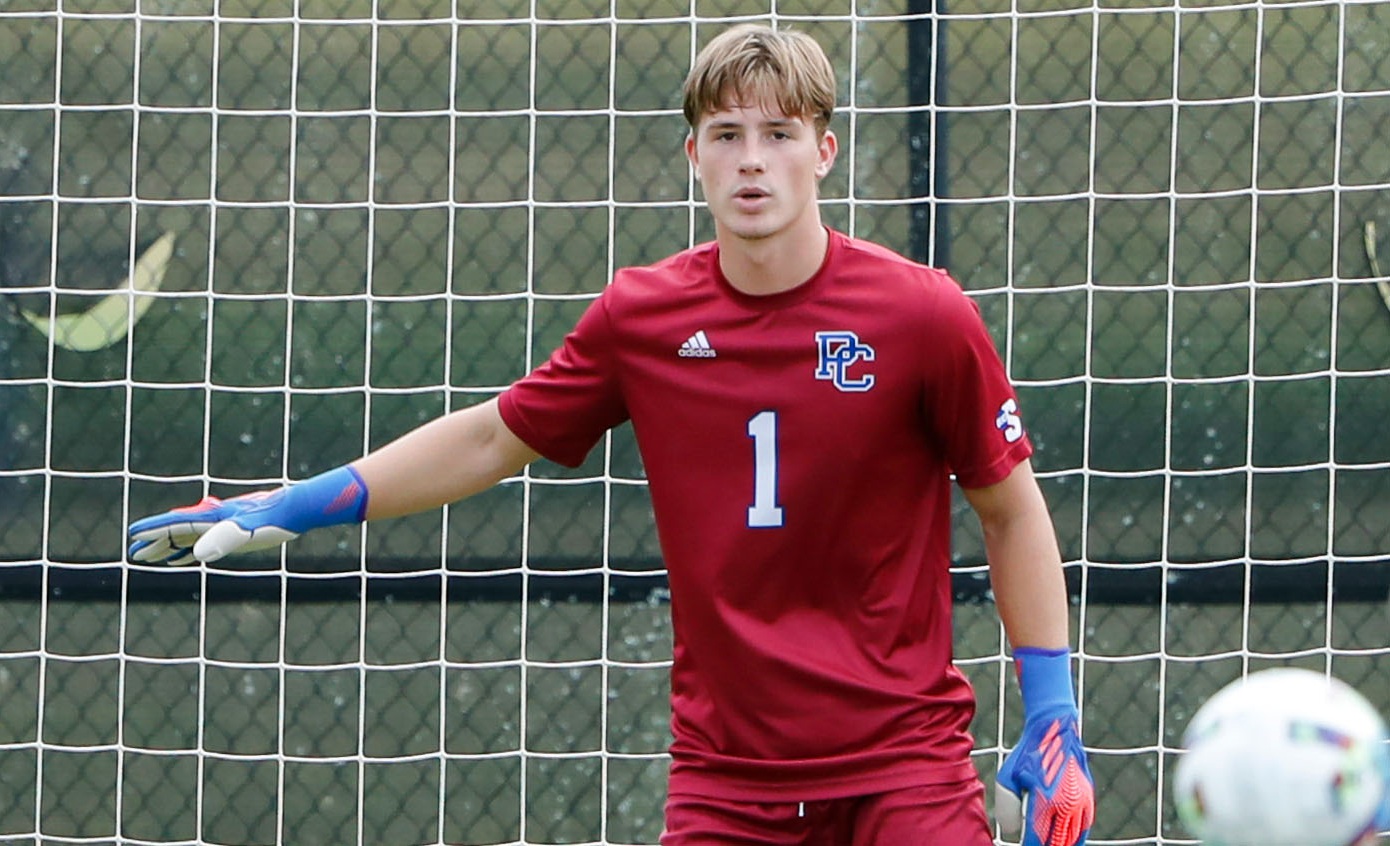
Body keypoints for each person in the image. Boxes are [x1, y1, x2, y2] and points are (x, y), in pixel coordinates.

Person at [128, 23, 1095, 846]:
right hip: (725, 781)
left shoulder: (922, 315)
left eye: (778, 133)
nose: (751, 158)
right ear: (692, 155)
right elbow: (491, 438)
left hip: (903, 772)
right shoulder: (642, 317)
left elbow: (1010, 512)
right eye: (726, 134)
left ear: (824, 151)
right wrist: (295, 505)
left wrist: (1051, 713)